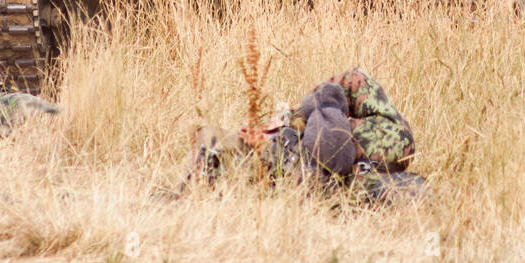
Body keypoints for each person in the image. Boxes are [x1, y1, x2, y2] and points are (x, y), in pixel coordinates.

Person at [180, 68, 425, 204]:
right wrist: (272, 144)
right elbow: (323, 167)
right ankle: (305, 115)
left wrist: (285, 125)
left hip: (314, 154)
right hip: (326, 163)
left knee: (342, 86)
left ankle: (302, 115)